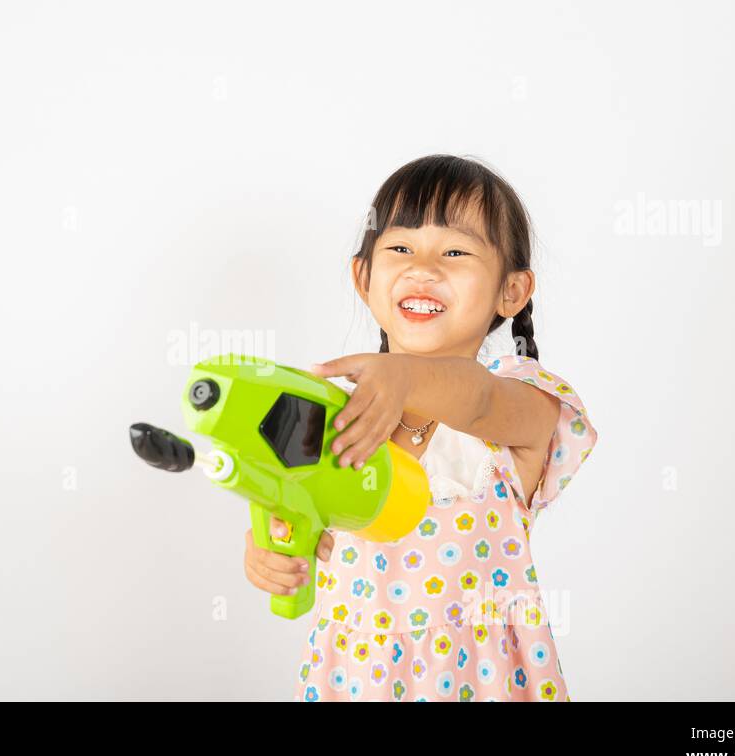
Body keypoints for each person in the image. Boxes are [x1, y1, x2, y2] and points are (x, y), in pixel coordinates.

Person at [242, 154, 599, 701]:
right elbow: (293, 518)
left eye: (455, 251)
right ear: (364, 276)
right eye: (400, 248)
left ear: (512, 291)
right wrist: (267, 554)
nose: (423, 268)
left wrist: (405, 377)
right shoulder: (330, 414)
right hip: (355, 683)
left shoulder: (518, 400)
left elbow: (476, 399)